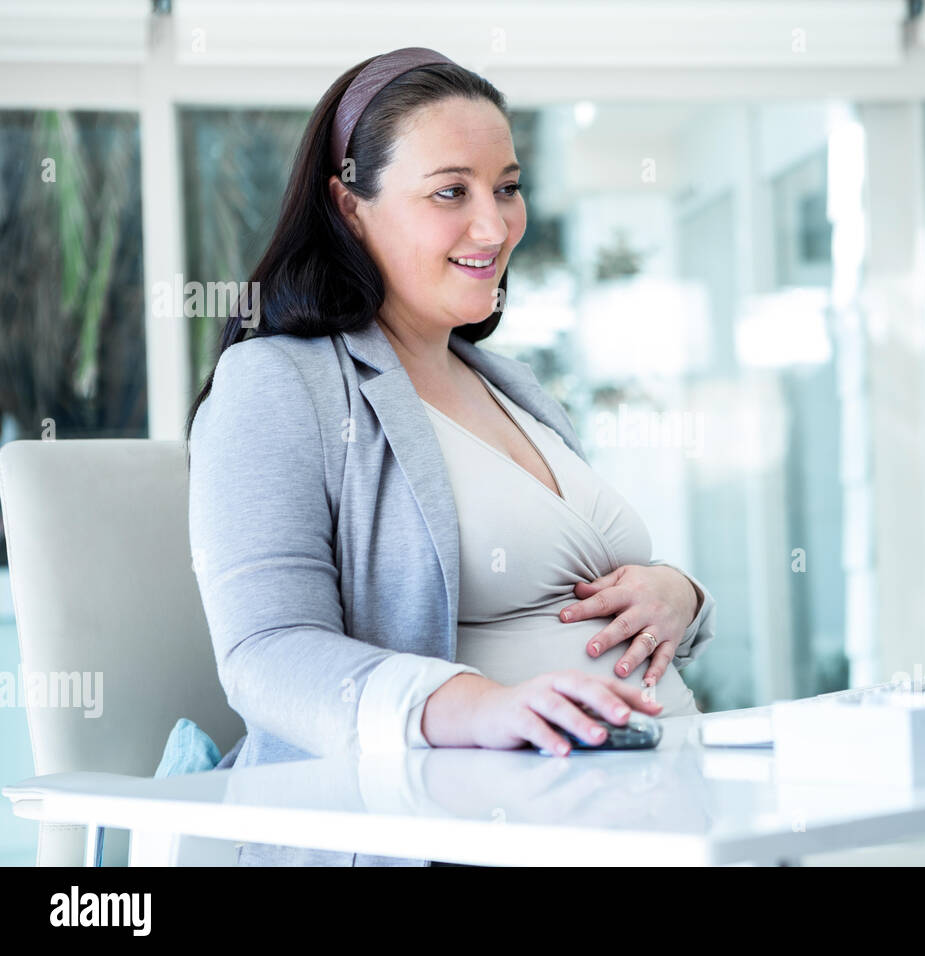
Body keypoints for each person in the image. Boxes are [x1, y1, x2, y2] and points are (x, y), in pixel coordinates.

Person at [184, 47, 717, 866]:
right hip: (458, 834)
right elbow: (266, 655)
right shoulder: (277, 383)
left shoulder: (511, 383)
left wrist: (680, 597)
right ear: (349, 205)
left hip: (656, 802)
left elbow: (578, 578)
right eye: (450, 192)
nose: (494, 225)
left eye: (507, 187)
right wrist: (472, 707)